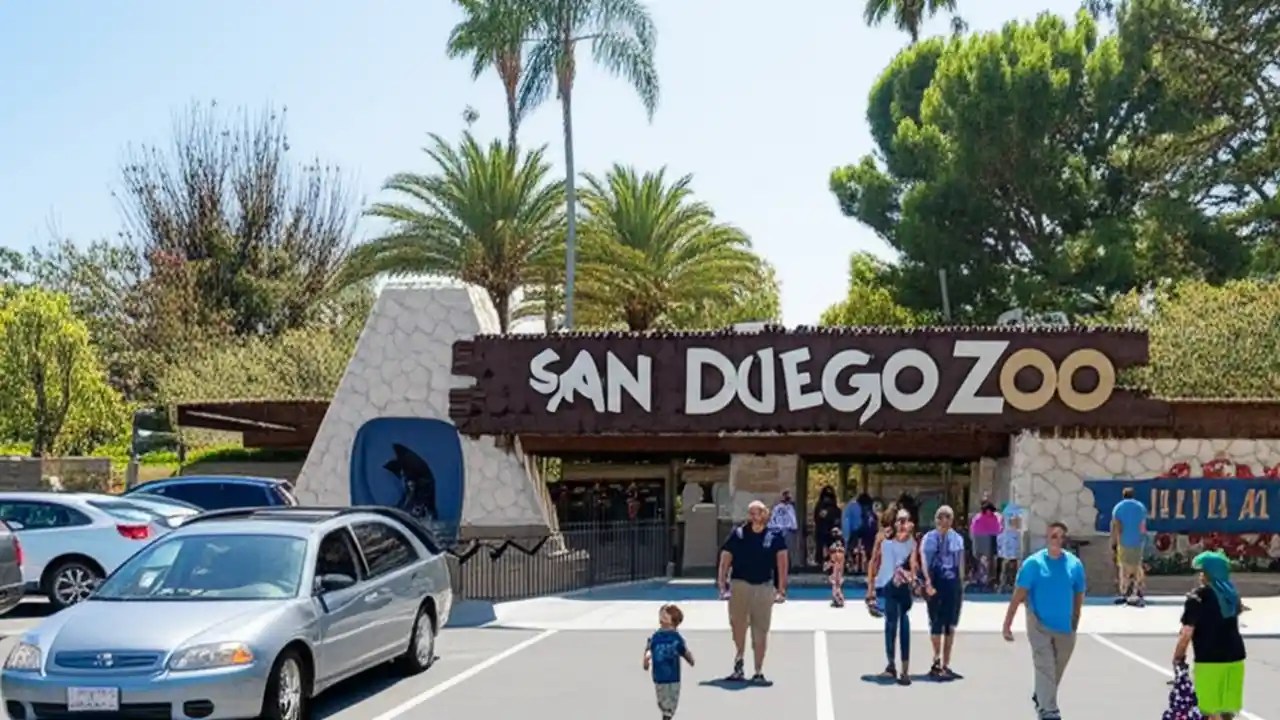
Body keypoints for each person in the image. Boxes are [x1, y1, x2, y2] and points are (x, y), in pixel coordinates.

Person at [1002, 522, 1086, 720]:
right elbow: (1018, 595)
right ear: (1047, 538)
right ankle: (1049, 710)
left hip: (1065, 625)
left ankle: (1042, 694)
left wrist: (1076, 619)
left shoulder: (1074, 565)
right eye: (1053, 536)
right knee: (1045, 665)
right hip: (1038, 623)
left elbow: (1079, 594)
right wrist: (1007, 624)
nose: (1056, 540)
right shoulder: (1033, 564)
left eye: (1060, 536)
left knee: (1056, 668)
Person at [717, 500, 788, 685]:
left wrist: (781, 589)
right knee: (738, 625)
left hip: (763, 587)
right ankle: (739, 660)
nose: (753, 516)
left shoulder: (774, 536)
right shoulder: (738, 534)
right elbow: (725, 558)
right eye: (751, 513)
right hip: (740, 585)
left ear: (765, 515)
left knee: (761, 630)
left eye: (757, 513)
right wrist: (722, 582)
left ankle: (758, 670)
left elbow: (782, 563)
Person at [1173, 550, 1246, 720]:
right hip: (1235, 658)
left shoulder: (1196, 598)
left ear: (1209, 573)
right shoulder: (1232, 596)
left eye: (1203, 571)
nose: (1200, 575)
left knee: (1210, 710)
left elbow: (1186, 633)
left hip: (1210, 660)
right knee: (1227, 711)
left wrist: (1178, 657)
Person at [866, 508, 919, 685]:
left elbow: (913, 565)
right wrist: (870, 589)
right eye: (900, 520)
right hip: (885, 585)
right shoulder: (883, 539)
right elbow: (873, 562)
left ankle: (904, 670)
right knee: (891, 623)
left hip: (902, 587)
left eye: (906, 520)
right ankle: (891, 665)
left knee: (903, 622)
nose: (903, 524)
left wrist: (911, 577)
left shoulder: (912, 542)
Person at [921, 505, 965, 679]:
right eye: (940, 517)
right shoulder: (929, 539)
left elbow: (960, 561)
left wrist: (961, 584)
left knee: (950, 624)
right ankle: (936, 658)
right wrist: (927, 582)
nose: (944, 520)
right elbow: (925, 561)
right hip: (936, 583)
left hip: (953, 584)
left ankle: (946, 663)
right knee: (936, 622)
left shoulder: (958, 539)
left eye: (947, 517)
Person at [643, 603, 694, 719]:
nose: (662, 615)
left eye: (666, 613)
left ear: (673, 620)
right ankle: (666, 714)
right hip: (659, 675)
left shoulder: (676, 637)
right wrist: (646, 659)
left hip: (673, 675)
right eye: (662, 613)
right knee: (662, 698)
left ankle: (668, 714)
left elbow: (683, 650)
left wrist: (689, 659)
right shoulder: (656, 636)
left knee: (672, 698)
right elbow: (650, 648)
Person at [1111, 487, 1149, 606]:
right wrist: (1142, 538)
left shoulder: (1118, 508)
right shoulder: (1140, 507)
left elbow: (1117, 526)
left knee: (1123, 567)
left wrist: (1114, 541)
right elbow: (1143, 526)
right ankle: (1138, 590)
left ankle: (1124, 592)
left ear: (1123, 495)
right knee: (1137, 566)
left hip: (1124, 542)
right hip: (1137, 541)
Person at [969, 501, 1002, 591]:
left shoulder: (994, 517)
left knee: (988, 561)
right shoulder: (978, 518)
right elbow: (973, 531)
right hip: (982, 541)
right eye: (988, 510)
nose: (989, 513)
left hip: (989, 541)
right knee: (981, 561)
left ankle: (987, 580)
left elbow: (998, 529)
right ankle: (981, 579)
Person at [997, 500, 1025, 593]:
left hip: (1009, 540)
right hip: (1011, 540)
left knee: (1009, 563)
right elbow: (1015, 524)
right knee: (1012, 562)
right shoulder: (1013, 511)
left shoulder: (1007, 512)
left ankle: (1007, 585)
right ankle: (1009, 585)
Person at [768, 490, 800, 570]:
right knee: (785, 549)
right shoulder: (785, 508)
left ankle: (785, 566)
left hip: (780, 529)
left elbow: (772, 519)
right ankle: (786, 566)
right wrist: (794, 527)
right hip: (784, 530)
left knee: (783, 549)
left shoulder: (780, 508)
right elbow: (792, 519)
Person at [813, 486, 841, 567]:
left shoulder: (826, 506)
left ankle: (825, 561)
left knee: (827, 547)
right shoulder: (822, 506)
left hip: (826, 530)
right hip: (824, 529)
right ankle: (823, 561)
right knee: (822, 547)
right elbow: (817, 518)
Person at [825, 528, 847, 607]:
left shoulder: (835, 548)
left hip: (837, 567)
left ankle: (838, 599)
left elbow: (833, 559)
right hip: (838, 567)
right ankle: (837, 599)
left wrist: (828, 565)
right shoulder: (841, 547)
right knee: (836, 584)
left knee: (836, 584)